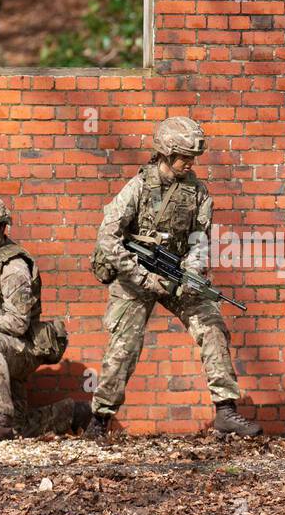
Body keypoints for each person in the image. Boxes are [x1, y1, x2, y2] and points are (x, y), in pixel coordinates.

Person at [86, 117, 261, 439]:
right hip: (133, 277)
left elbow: (200, 239)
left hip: (174, 273)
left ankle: (226, 410)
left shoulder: (197, 192)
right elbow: (107, 239)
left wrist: (192, 273)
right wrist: (141, 277)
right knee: (124, 348)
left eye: (193, 158)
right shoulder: (137, 188)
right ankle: (99, 421)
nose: (190, 163)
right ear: (166, 153)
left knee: (212, 326)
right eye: (184, 157)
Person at [0, 193, 91, 442]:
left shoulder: (13, 266)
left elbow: (17, 322)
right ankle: (75, 413)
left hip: (23, 346)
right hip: (6, 348)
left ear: (2, 227)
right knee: (20, 428)